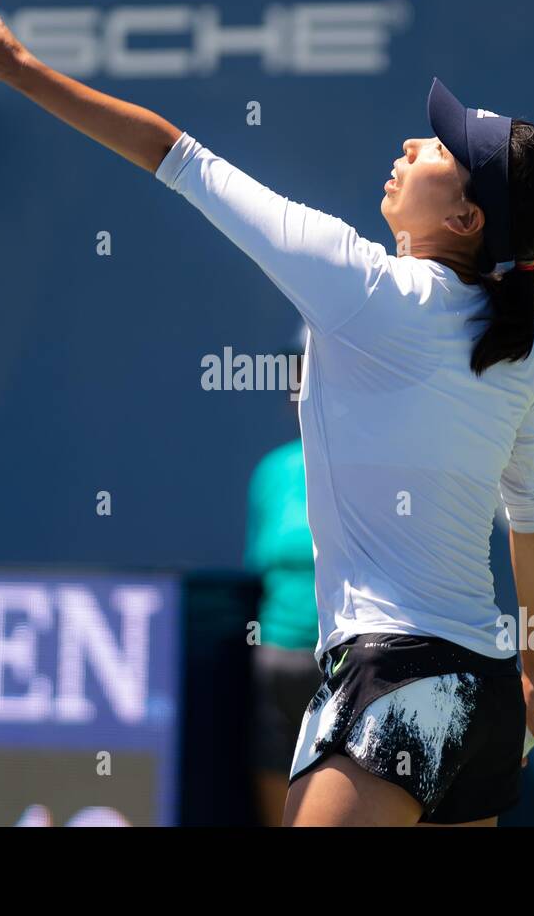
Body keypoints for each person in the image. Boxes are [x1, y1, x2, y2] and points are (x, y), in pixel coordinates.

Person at [0, 0, 534, 828]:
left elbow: (176, 156)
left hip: (395, 684)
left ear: (469, 215)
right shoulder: (514, 348)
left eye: (440, 148)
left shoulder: (365, 287)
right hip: (483, 700)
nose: (414, 143)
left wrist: (18, 69)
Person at [244, 330, 320, 826]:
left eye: (313, 369)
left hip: (346, 665)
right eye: (297, 371)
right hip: (275, 663)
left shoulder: (370, 466)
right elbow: (260, 564)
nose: (302, 383)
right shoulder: (272, 471)